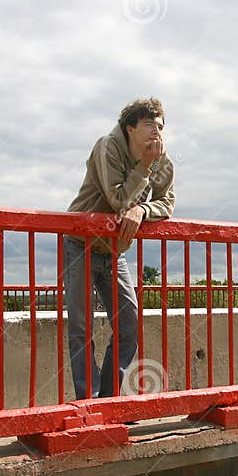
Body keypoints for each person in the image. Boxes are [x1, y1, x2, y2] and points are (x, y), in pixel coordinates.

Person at [64, 97, 175, 399]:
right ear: (130, 128)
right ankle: (88, 404)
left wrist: (143, 211)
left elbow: (167, 203)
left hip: (115, 251)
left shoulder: (161, 159)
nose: (157, 132)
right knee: (81, 330)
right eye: (150, 125)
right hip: (81, 244)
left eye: (161, 126)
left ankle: (109, 400)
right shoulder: (108, 147)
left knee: (128, 326)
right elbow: (119, 201)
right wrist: (145, 167)